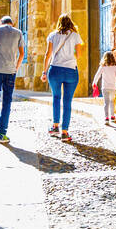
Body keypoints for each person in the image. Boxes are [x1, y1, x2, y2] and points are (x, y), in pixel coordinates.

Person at [42, 14, 83, 143]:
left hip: (55, 70)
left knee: (56, 98)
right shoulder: (75, 36)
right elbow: (79, 54)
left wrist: (44, 72)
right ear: (70, 23)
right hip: (71, 70)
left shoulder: (52, 35)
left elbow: (48, 54)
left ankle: (55, 126)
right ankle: (65, 132)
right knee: (67, 101)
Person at [0, 13, 24, 144]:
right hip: (10, 71)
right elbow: (22, 54)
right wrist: (16, 68)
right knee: (7, 101)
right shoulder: (18, 32)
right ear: (12, 24)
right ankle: (2, 133)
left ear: (1, 23)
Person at [92, 50, 116, 125]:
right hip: (113, 88)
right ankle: (112, 116)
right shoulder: (115, 67)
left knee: (106, 102)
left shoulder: (103, 67)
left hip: (105, 87)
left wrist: (94, 83)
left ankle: (106, 118)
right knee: (111, 101)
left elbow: (97, 75)